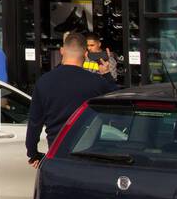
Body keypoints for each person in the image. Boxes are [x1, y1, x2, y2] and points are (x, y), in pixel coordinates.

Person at [25, 31, 117, 168]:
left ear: (62, 51)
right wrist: (106, 74)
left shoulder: (44, 82)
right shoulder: (97, 82)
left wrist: (33, 154)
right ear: (86, 54)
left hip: (57, 155)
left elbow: (34, 123)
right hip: (89, 156)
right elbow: (116, 103)